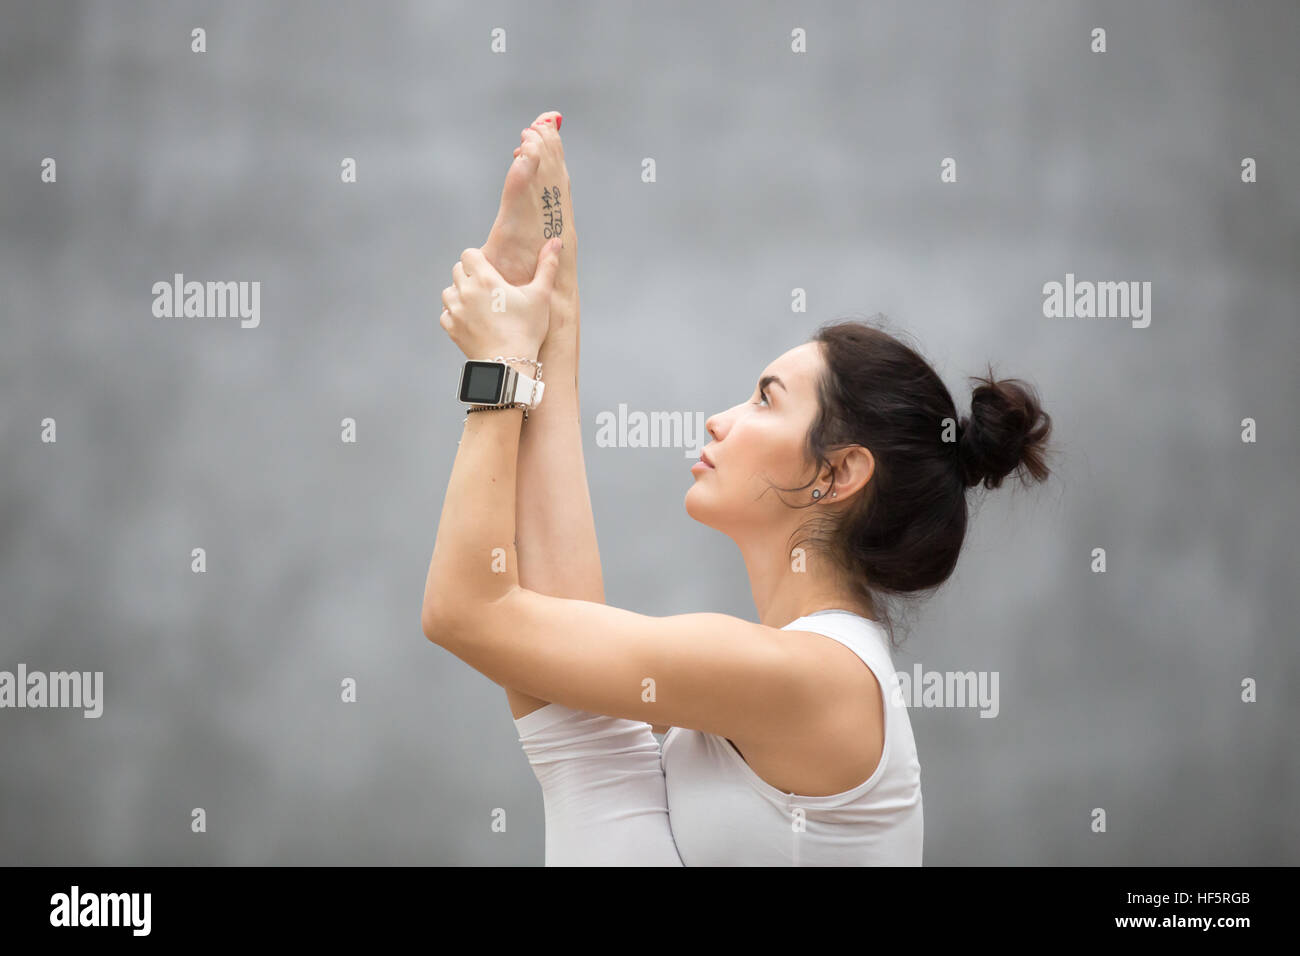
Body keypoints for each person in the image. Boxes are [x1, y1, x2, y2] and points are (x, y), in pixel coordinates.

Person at [422, 111, 1052, 865]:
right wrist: (548, 303)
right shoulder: (798, 670)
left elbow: (466, 611)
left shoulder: (809, 678)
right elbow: (586, 745)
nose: (720, 420)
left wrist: (499, 371)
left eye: (765, 399)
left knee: (589, 750)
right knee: (589, 747)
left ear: (838, 471)